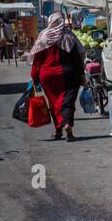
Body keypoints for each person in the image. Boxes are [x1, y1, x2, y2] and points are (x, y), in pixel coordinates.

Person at [29, 12, 85, 141]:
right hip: (69, 74)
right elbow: (77, 59)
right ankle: (67, 125)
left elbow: (37, 60)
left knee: (54, 103)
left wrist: (34, 77)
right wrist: (82, 76)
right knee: (68, 102)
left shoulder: (43, 37)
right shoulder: (69, 36)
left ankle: (58, 131)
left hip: (47, 76)